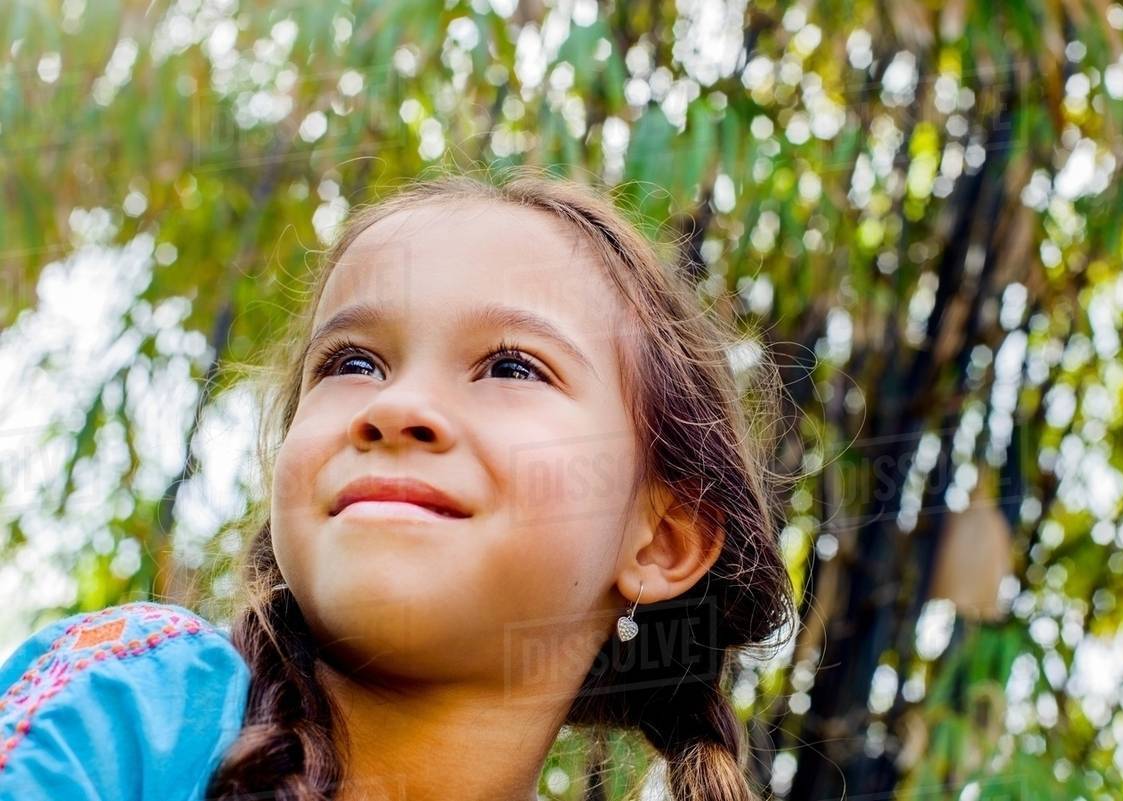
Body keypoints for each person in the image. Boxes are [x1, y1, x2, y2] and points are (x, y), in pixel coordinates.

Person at [0, 167, 798, 801]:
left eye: (511, 367)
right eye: (353, 362)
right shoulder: (137, 705)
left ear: (661, 541)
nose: (395, 407)